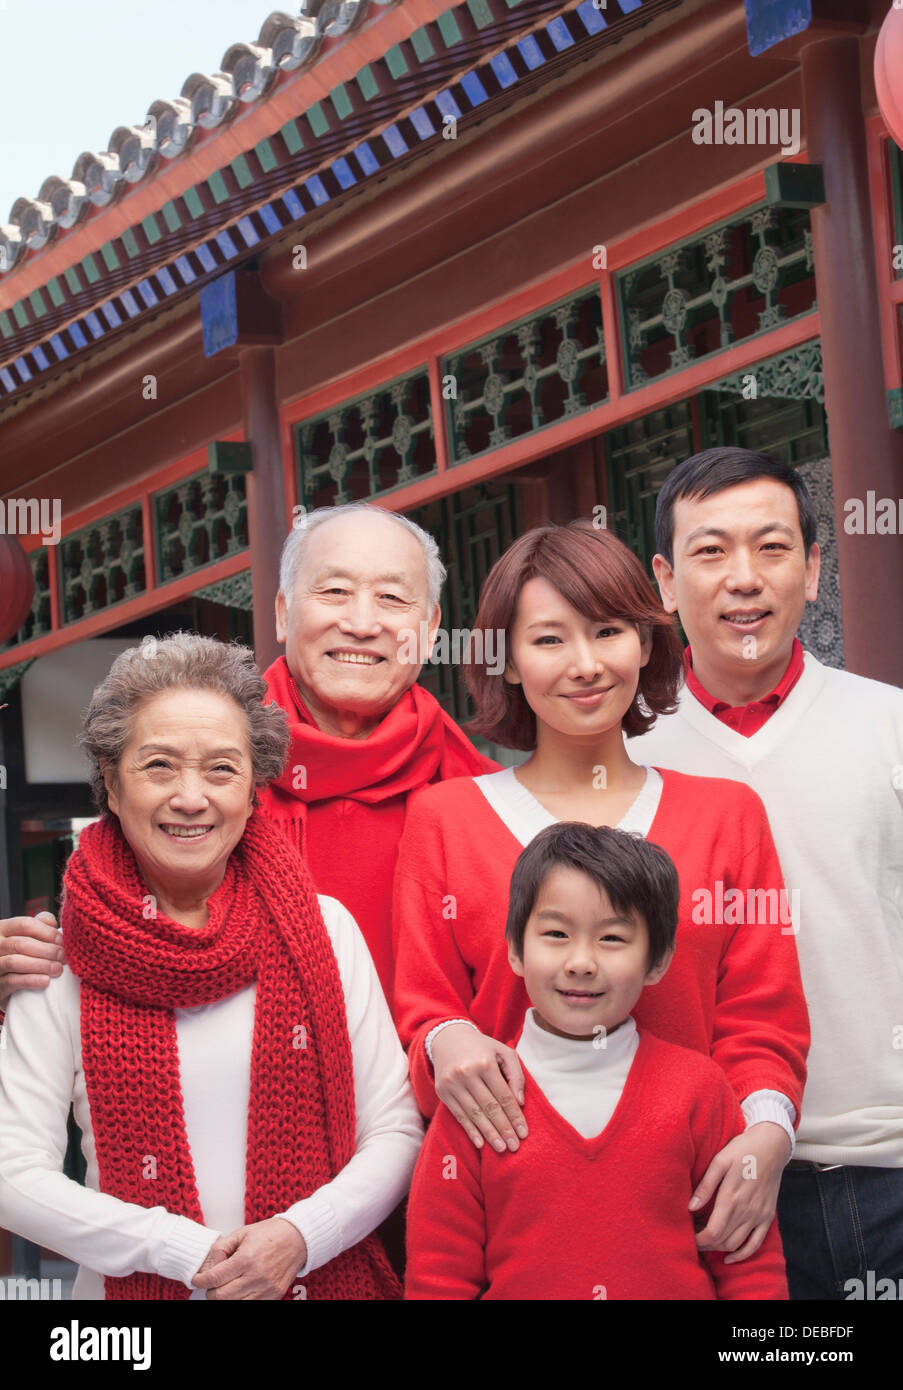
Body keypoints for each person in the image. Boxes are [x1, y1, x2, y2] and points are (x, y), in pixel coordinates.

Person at [393, 519, 810, 1264]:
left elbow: (760, 1015)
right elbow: (424, 1005)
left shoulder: (726, 815)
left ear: (647, 642)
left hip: (694, 1214)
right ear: (508, 661)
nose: (584, 665)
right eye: (549, 639)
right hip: (513, 1222)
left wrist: (765, 1136)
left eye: (609, 630)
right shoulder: (443, 818)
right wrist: (441, 1037)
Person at [0, 633, 422, 1299]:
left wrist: (299, 1236)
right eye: (159, 766)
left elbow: (396, 1128)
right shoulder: (58, 958)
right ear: (110, 783)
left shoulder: (325, 929)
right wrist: (184, 1251)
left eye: (222, 770)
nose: (190, 797)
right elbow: (11, 1173)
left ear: (254, 791)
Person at [0, 503, 495, 1012]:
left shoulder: (486, 799)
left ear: (430, 627)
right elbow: (106, 954)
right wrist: (20, 974)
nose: (362, 623)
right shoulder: (193, 792)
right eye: (335, 592)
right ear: (283, 612)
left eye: (391, 597)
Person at [626, 446, 903, 1300]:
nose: (743, 578)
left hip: (888, 1165)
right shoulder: (625, 765)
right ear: (666, 583)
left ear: (813, 569)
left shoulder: (889, 726)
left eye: (772, 547)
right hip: (697, 1185)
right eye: (710, 552)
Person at [405, 823, 788, 1299]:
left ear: (658, 960)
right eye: (557, 933)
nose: (581, 961)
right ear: (515, 950)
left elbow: (749, 1267)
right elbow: (438, 1279)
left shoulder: (699, 1090)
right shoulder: (476, 1098)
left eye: (611, 939)